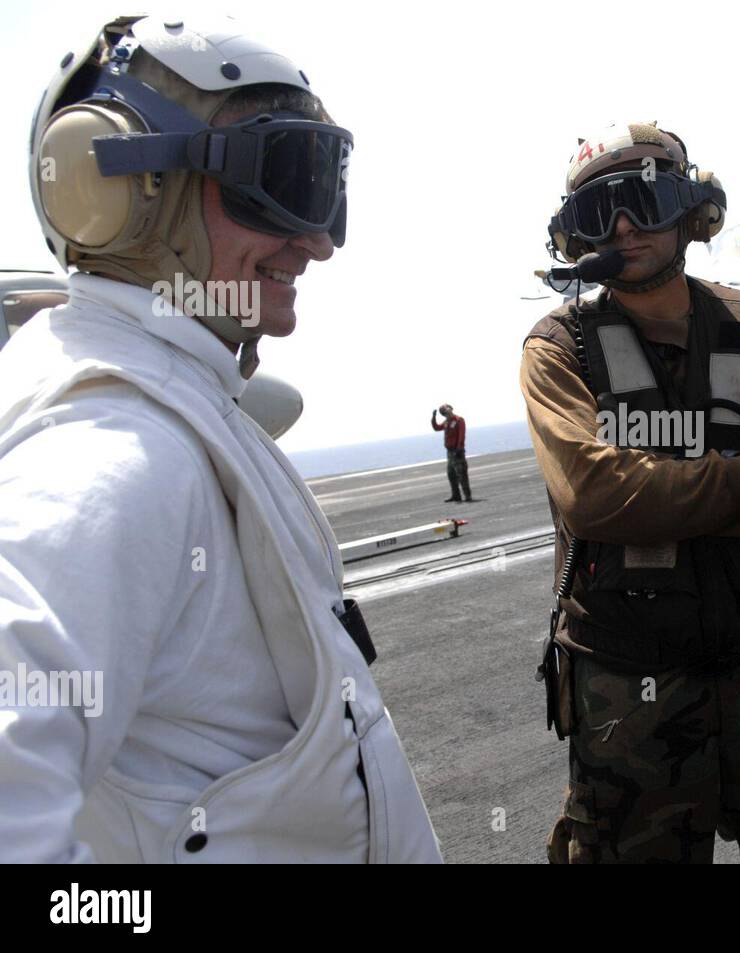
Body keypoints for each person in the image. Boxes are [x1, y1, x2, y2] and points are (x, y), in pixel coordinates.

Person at [0, 14, 441, 863]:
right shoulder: (112, 445)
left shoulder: (172, 399)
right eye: (274, 182)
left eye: (321, 188)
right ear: (117, 189)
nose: (316, 243)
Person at [522, 121, 740, 863]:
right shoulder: (559, 348)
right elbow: (596, 495)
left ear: (688, 208)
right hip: (629, 682)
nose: (625, 226)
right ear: (576, 236)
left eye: (642, 198)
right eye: (598, 212)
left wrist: (670, 495)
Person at [432, 402, 472, 502]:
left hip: (457, 451)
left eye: (448, 411)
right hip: (449, 452)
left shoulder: (459, 420)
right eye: (445, 413)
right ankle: (456, 495)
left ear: (451, 410)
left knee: (461, 474)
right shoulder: (446, 422)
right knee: (451, 474)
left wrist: (459, 448)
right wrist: (433, 418)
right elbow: (436, 428)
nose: (447, 414)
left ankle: (467, 495)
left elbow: (461, 435)